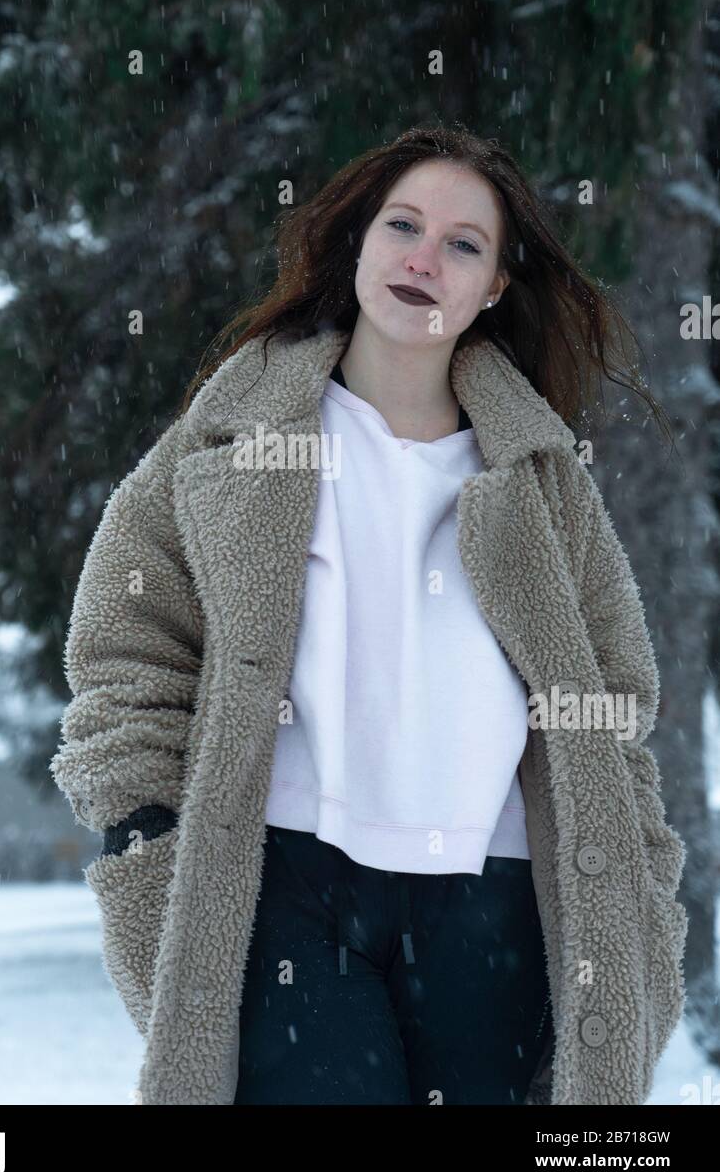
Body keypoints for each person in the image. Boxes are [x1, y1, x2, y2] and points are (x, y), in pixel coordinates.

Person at [51, 123, 688, 1106]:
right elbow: (127, 644)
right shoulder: (229, 442)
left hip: (493, 900)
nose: (422, 258)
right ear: (358, 243)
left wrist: (637, 885)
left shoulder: (543, 477)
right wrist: (141, 822)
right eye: (402, 225)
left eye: (462, 244)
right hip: (284, 885)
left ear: (491, 291)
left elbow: (615, 702)